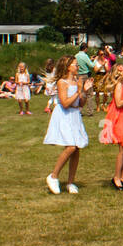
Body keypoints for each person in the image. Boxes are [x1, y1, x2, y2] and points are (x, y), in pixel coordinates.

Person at [44, 56, 93, 194]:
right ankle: (53, 176)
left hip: (75, 115)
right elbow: (64, 103)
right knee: (71, 146)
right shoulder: (62, 82)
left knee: (77, 148)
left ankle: (71, 182)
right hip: (64, 116)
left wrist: (84, 91)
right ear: (67, 67)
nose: (77, 67)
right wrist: (78, 91)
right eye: (75, 65)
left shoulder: (77, 81)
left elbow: (81, 104)